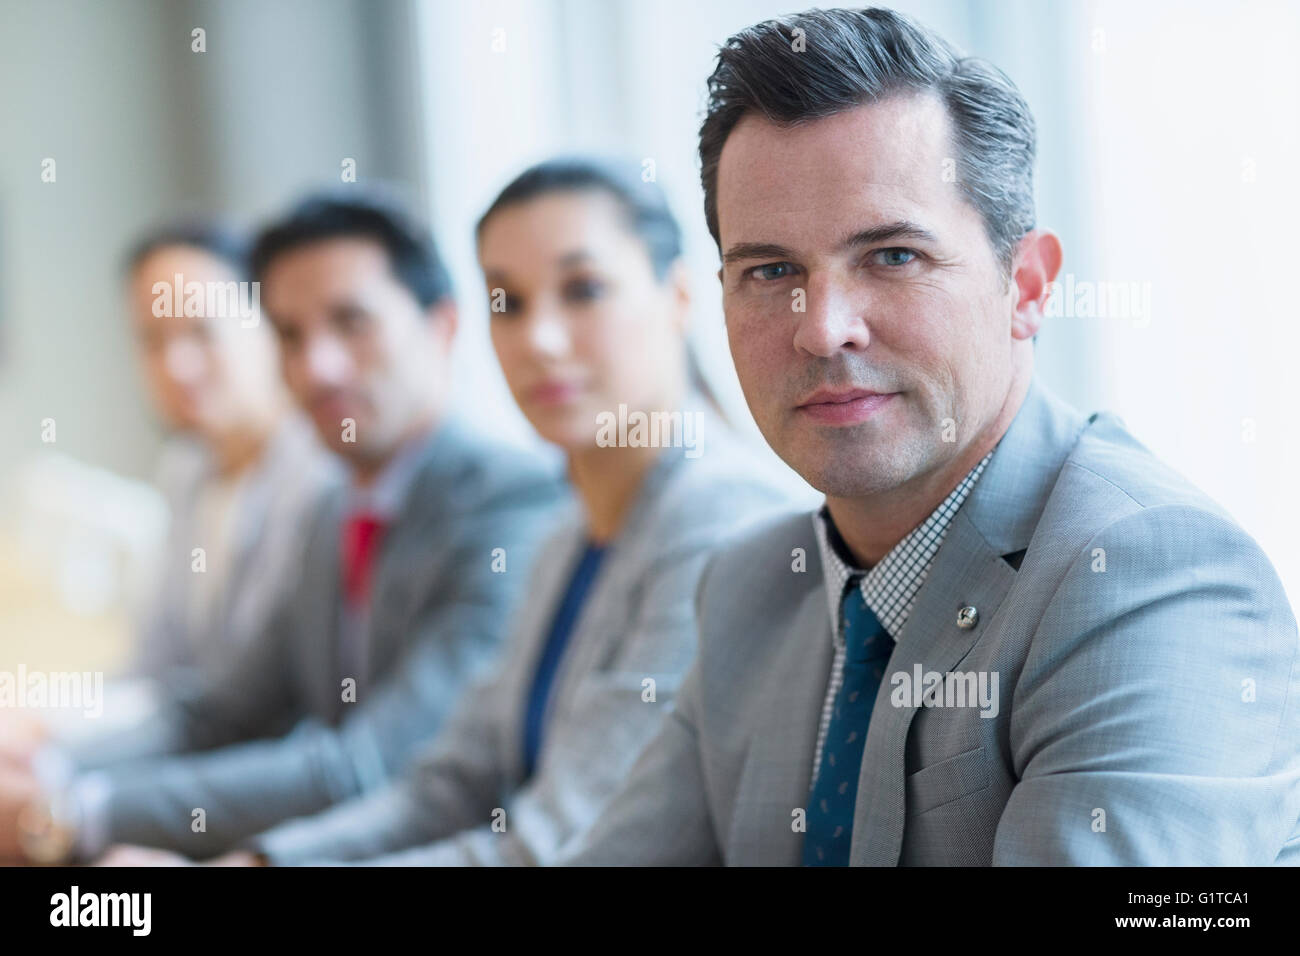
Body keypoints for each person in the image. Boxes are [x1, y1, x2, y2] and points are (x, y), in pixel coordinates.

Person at [561, 6, 1300, 866]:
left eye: (894, 256)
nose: (823, 329)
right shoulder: (751, 585)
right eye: (771, 271)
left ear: (1024, 286)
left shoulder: (1147, 572)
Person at [130, 158, 792, 867]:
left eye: (584, 289)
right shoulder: (568, 533)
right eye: (508, 302)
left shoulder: (717, 516)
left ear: (680, 297)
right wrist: (264, 861)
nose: (539, 338)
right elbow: (446, 787)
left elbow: (554, 843)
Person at [0, 192, 568, 863]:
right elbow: (218, 713)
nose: (316, 367)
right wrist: (55, 765)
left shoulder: (510, 501)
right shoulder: (334, 508)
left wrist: (77, 812)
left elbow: (371, 765)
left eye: (351, 322)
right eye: (291, 335)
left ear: (442, 326)